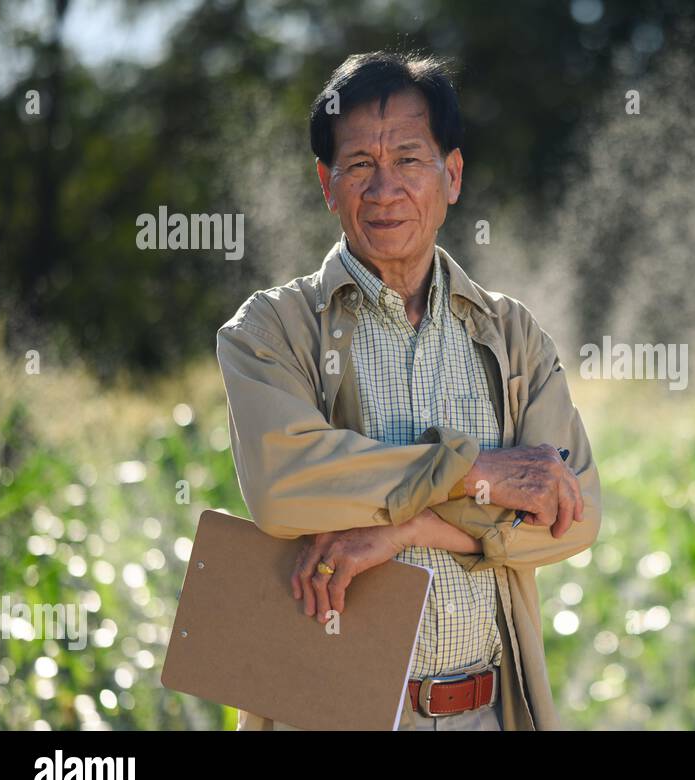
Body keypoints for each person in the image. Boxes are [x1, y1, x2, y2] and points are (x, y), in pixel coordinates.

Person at [214, 51, 601, 731]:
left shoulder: (512, 335)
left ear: (451, 175)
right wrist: (478, 474)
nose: (383, 189)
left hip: (489, 713)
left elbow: (577, 514)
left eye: (409, 161)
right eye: (358, 164)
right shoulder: (269, 329)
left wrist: (407, 529)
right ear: (326, 184)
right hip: (334, 713)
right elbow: (284, 487)